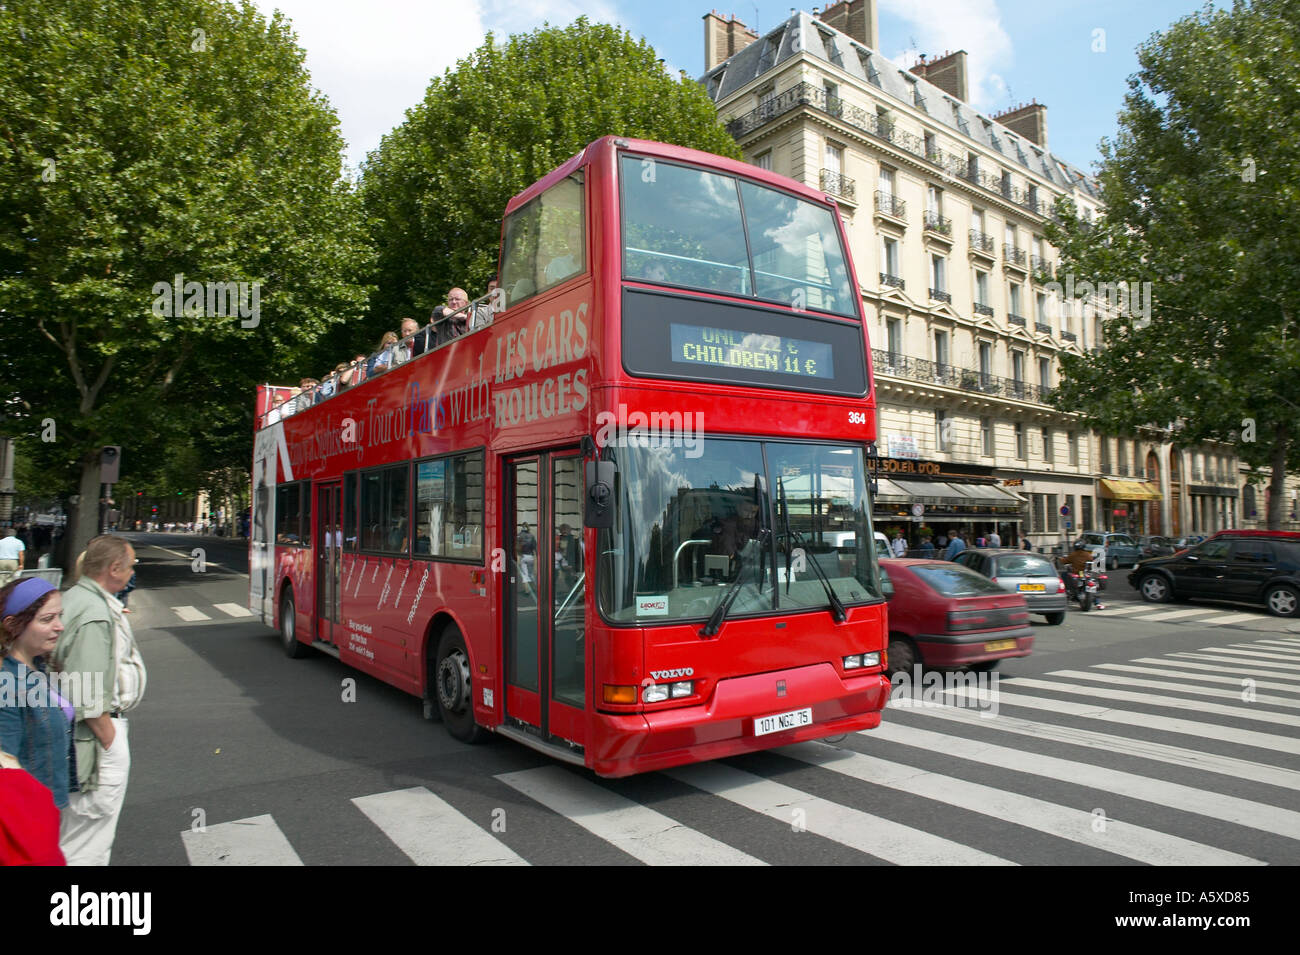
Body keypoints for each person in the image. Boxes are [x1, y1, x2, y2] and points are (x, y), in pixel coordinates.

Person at [53, 536, 147, 867]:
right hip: (94, 738)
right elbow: (86, 693)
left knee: (74, 834)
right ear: (114, 568)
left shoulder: (74, 598)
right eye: (131, 564)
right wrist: (110, 740)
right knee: (88, 842)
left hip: (77, 736)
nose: (133, 571)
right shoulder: (94, 612)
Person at [0, 578, 77, 817]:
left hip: (47, 807)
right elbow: (6, 765)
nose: (60, 626)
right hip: (27, 817)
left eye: (59, 616)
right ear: (12, 625)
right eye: (47, 619)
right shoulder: (8, 683)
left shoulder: (37, 668)